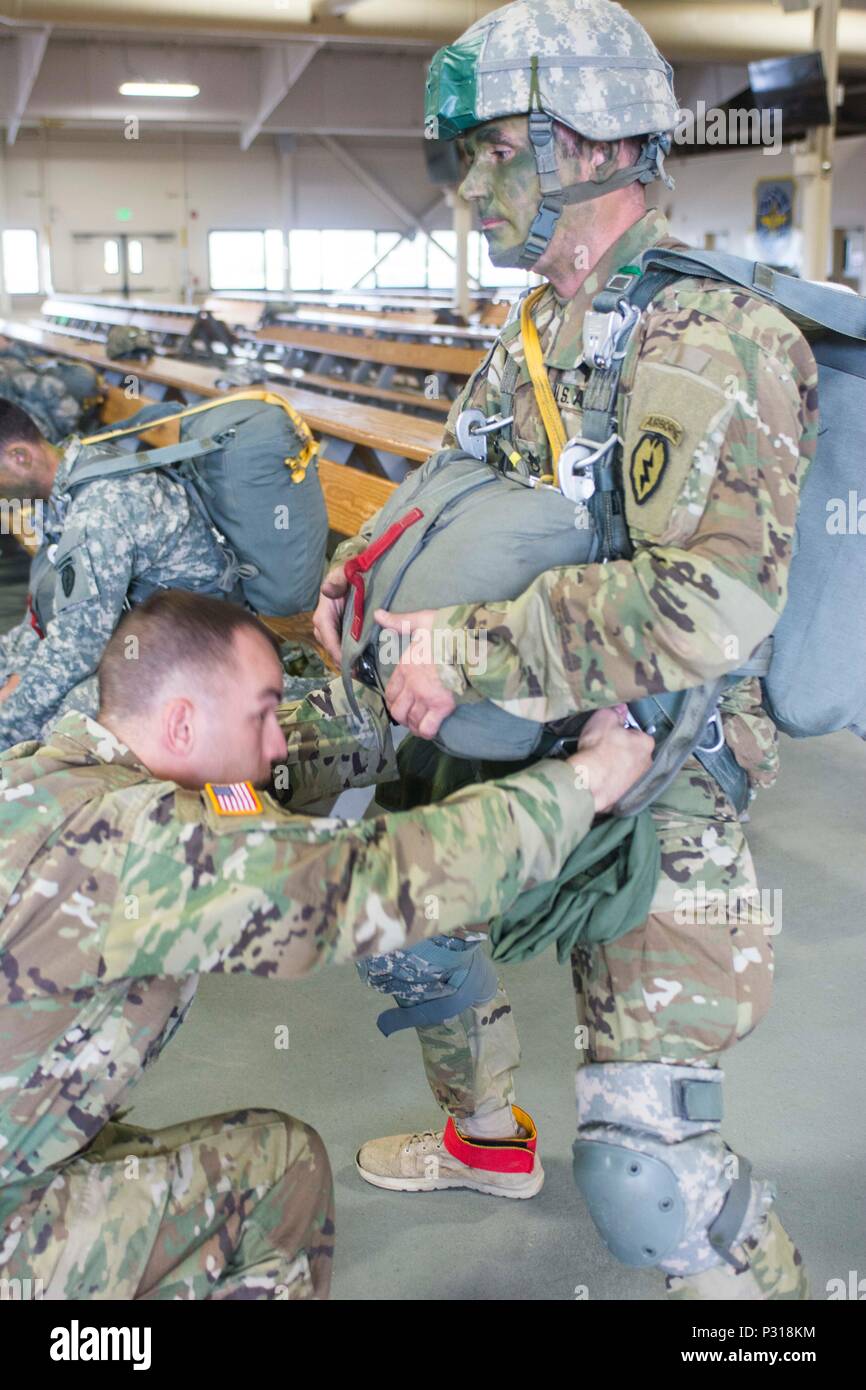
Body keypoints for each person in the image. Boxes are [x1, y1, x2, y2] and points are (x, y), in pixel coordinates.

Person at [312, 0, 818, 1300]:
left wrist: (461, 649)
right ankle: (482, 1135)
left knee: (650, 1176)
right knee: (392, 902)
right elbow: (454, 481)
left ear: (582, 145)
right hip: (518, 726)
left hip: (662, 772)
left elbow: (708, 602)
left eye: (483, 154)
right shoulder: (542, 328)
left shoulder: (712, 340)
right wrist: (357, 582)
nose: (465, 192)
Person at [0, 588, 651, 1300]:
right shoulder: (140, 844)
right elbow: (361, 878)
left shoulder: (51, 769)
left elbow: (272, 768)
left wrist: (419, 701)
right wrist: (582, 782)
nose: (275, 739)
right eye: (260, 714)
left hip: (28, 1146)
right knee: (280, 1169)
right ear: (183, 721)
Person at [0, 398, 233, 749]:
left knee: (64, 725)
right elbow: (46, 605)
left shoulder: (99, 510)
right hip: (129, 628)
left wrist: (5, 722)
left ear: (20, 456)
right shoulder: (66, 480)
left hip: (193, 643)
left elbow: (75, 651)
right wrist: (16, 673)